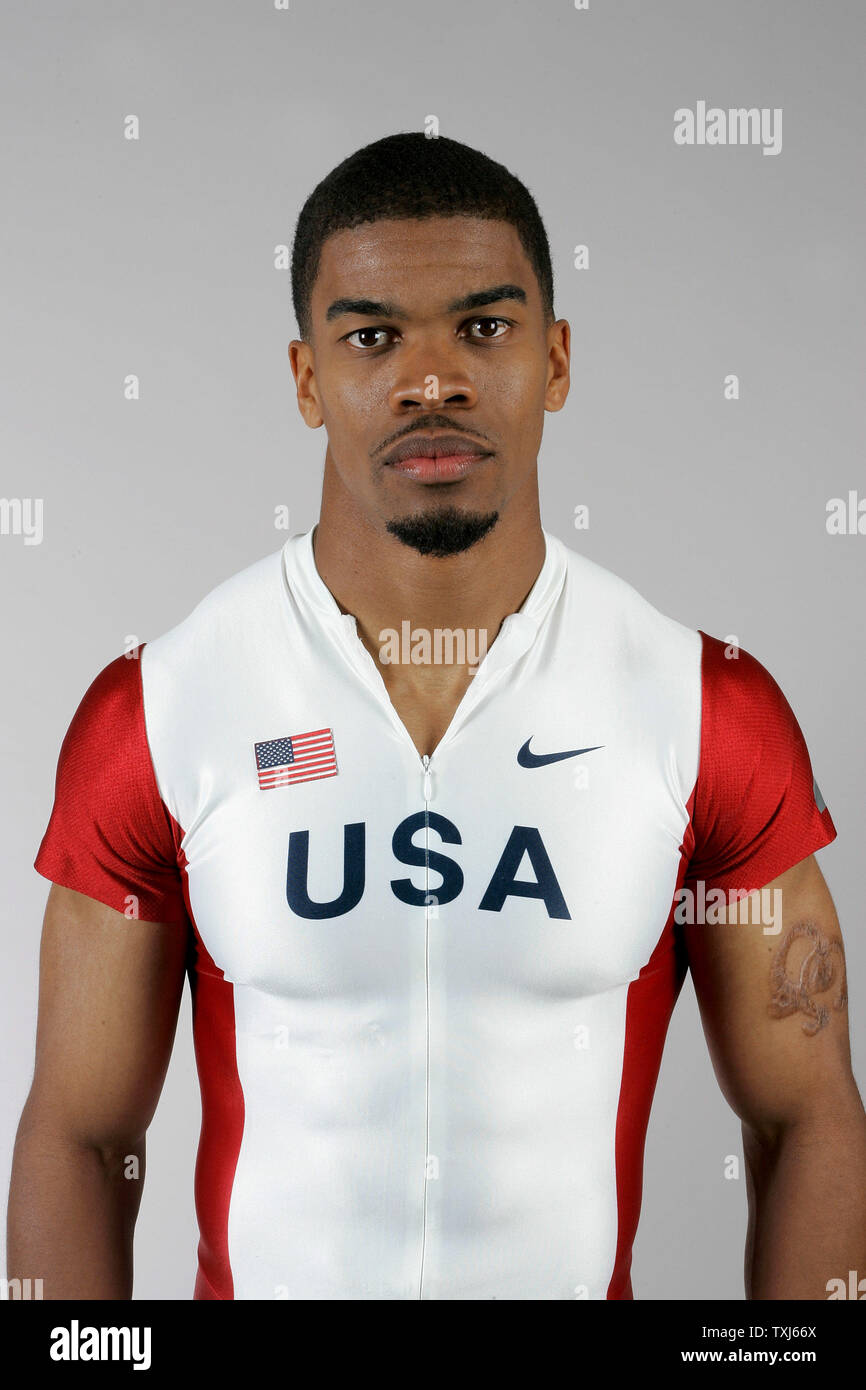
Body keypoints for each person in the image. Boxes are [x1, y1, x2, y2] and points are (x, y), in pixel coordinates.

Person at [9, 133, 865, 1300]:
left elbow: (804, 1116)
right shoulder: (163, 709)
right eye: (372, 337)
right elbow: (79, 1136)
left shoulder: (699, 706)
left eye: (482, 327)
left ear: (554, 361)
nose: (431, 380)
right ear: (307, 378)